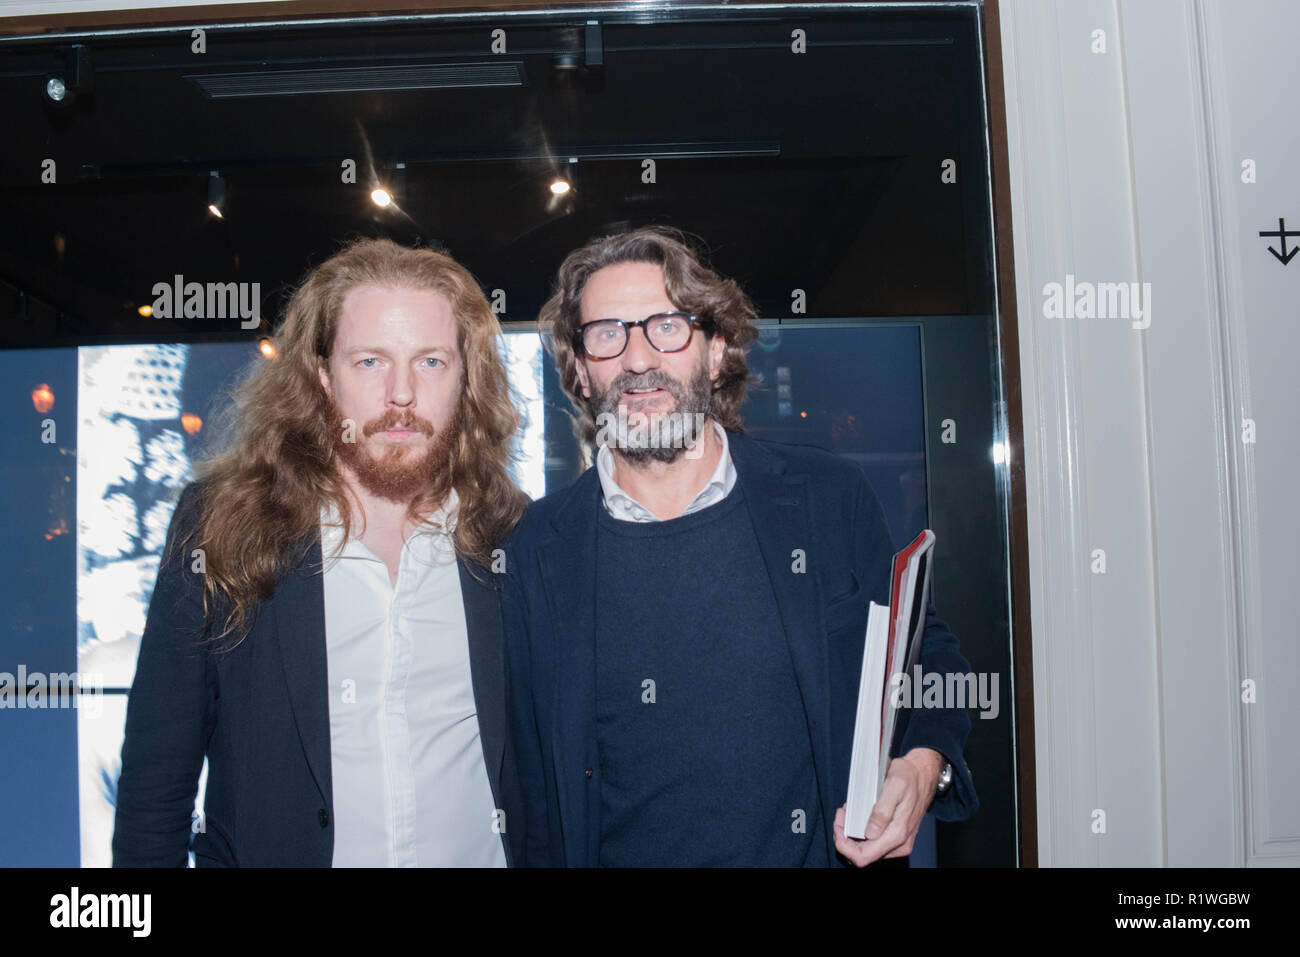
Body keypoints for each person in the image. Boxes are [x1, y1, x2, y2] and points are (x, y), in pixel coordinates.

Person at [502, 226, 978, 867]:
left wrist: (924, 766)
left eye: (667, 326)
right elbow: (531, 794)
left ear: (717, 349)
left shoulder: (825, 499)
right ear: (581, 372)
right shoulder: (534, 549)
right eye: (608, 333)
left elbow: (926, 654)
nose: (639, 358)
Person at [113, 237, 528, 866]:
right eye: (369, 362)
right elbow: (155, 787)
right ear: (322, 376)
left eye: (432, 362)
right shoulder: (221, 527)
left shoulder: (516, 540)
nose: (401, 395)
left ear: (467, 379)